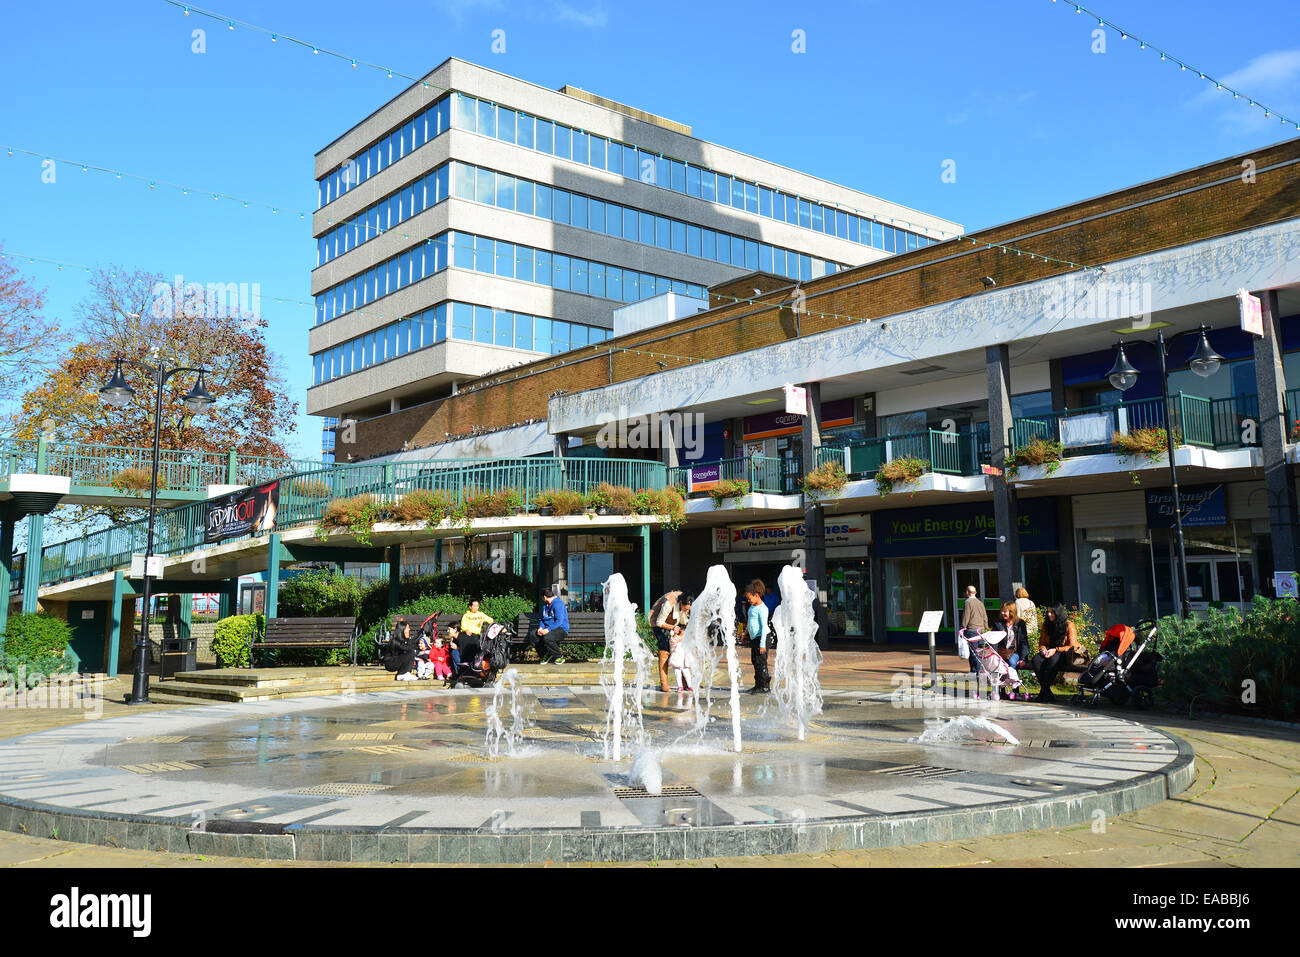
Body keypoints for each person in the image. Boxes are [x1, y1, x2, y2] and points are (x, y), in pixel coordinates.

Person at [1031, 603, 1082, 702]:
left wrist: (1056, 650)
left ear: (1058, 613)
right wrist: (1043, 650)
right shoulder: (1046, 625)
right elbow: (1042, 642)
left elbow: (1073, 645)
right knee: (1036, 660)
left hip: (1064, 652)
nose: (1049, 614)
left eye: (1052, 612)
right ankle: (1047, 692)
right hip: (1049, 651)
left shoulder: (1069, 625)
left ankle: (1043, 693)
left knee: (1053, 661)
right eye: (1048, 612)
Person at [650, 590, 692, 693]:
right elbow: (659, 622)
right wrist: (672, 627)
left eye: (688, 609)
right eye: (685, 609)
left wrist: (682, 634)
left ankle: (686, 684)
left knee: (683, 647)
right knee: (664, 648)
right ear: (681, 603)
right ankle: (664, 684)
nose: (687, 611)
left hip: (676, 623)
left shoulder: (687, 606)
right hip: (659, 622)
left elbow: (686, 622)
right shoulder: (669, 603)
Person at [745, 581, 771, 694]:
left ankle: (765, 686)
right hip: (754, 637)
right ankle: (758, 685)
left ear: (756, 595)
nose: (748, 600)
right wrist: (745, 633)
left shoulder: (762, 609)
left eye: (750, 598)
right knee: (755, 660)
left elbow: (764, 627)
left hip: (763, 637)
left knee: (761, 662)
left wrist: (762, 644)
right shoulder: (752, 607)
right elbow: (750, 621)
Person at [536, 587, 569, 664]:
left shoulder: (558, 604)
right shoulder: (545, 605)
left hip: (561, 628)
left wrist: (548, 630)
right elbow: (543, 619)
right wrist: (540, 627)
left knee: (548, 638)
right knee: (533, 636)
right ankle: (548, 653)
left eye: (542, 598)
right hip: (549, 628)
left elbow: (559, 621)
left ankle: (559, 656)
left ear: (544, 597)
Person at [997, 600, 1030, 670]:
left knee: (1012, 662)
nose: (1002, 613)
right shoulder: (998, 623)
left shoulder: (1020, 623)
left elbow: (1024, 642)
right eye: (1002, 611)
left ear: (1011, 612)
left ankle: (1013, 679)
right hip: (1000, 652)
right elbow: (993, 640)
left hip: (1014, 652)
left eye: (1005, 611)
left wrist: (1023, 659)